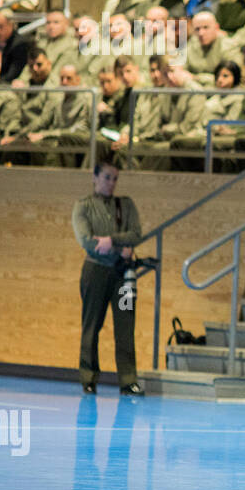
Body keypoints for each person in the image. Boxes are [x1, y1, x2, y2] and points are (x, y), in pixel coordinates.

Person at [71, 160, 145, 396]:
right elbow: (88, 241)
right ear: (94, 177)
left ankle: (127, 379)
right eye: (106, 177)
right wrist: (118, 247)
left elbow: (135, 234)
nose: (111, 183)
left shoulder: (126, 204)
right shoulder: (83, 206)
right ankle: (88, 377)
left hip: (123, 274)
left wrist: (111, 241)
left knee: (125, 326)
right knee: (92, 325)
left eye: (115, 178)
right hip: (96, 272)